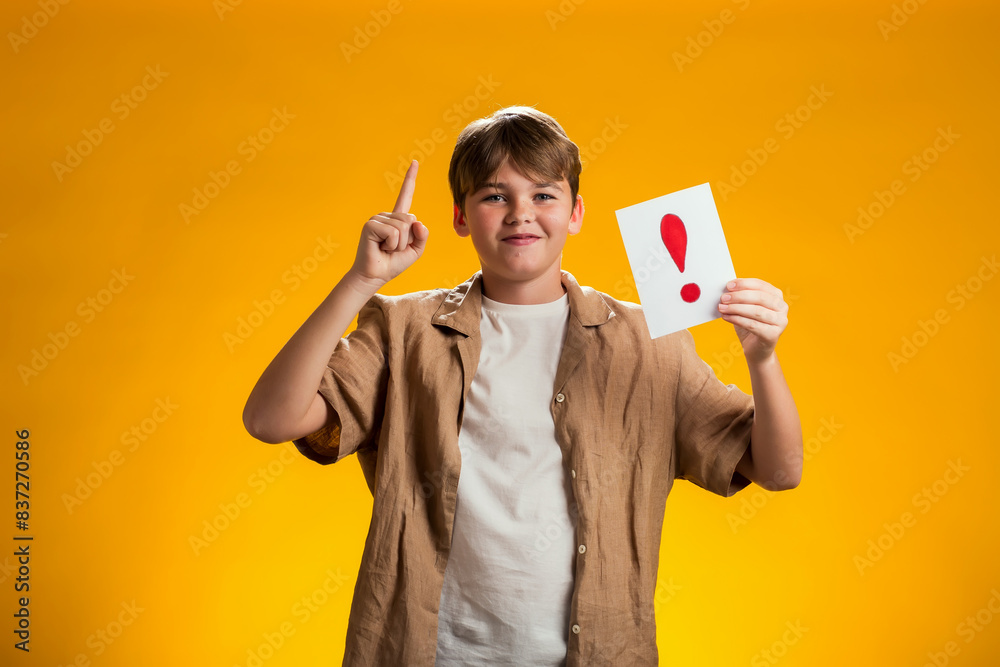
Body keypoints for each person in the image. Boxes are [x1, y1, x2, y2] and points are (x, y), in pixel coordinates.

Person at [242, 105, 803, 666]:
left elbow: (778, 470)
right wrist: (361, 281)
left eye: (543, 195)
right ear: (461, 216)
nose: (519, 214)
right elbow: (271, 420)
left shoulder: (648, 343)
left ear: (576, 212)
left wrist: (763, 358)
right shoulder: (403, 329)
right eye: (494, 196)